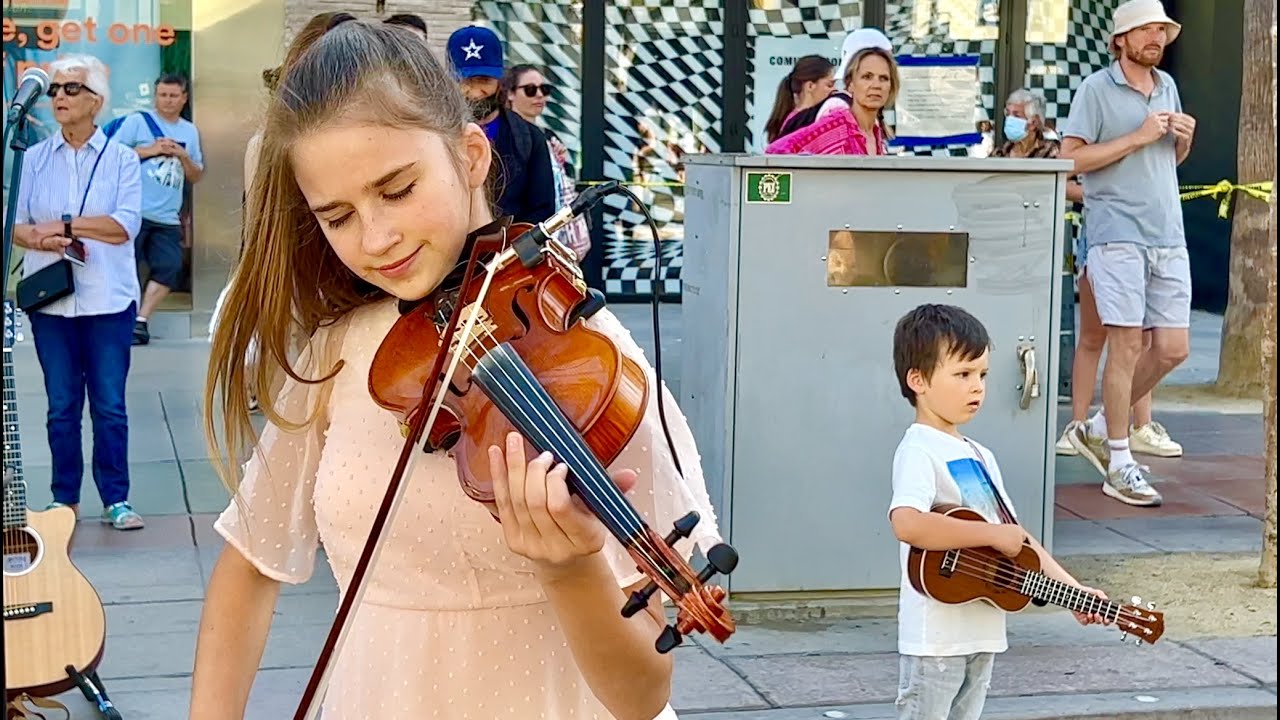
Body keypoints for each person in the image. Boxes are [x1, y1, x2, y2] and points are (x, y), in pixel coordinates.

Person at [190, 18, 720, 719]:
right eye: (338, 216)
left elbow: (642, 696)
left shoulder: (586, 356)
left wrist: (571, 571)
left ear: (470, 156)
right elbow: (250, 564)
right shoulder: (339, 350)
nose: (376, 238)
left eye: (397, 190)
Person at [888, 303, 1108, 719]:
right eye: (963, 375)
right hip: (935, 640)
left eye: (982, 375)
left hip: (983, 635)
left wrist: (1075, 592)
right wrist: (990, 535)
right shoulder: (919, 448)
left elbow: (1017, 540)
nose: (977, 387)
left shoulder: (980, 455)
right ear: (918, 380)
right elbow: (907, 522)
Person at [1060, 0, 1194, 506]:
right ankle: (1119, 460)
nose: (1155, 37)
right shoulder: (1095, 89)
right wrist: (1137, 136)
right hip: (1115, 232)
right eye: (1145, 30)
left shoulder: (1167, 86)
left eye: (1161, 29)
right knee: (1125, 343)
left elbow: (1166, 162)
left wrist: (1184, 141)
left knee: (1174, 348)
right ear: (1120, 39)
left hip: (1168, 234)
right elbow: (1070, 159)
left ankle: (1098, 427)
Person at [11, 54, 144, 530]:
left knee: (109, 405)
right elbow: (16, 225)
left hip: (108, 299)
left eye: (71, 89)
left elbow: (123, 226)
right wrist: (40, 239)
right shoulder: (33, 158)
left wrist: (63, 225)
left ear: (96, 101)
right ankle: (63, 499)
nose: (59, 97)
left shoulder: (122, 158)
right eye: (54, 90)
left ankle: (116, 498)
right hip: (51, 301)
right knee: (61, 407)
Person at [109, 73, 204, 346]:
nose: (168, 100)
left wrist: (183, 156)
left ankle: (141, 319)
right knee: (123, 270)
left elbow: (196, 174)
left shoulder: (190, 131)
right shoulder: (137, 122)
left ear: (184, 98)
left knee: (170, 267)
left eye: (173, 96)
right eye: (163, 95)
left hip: (167, 217)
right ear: (155, 96)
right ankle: (120, 322)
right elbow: (110, 156)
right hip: (132, 212)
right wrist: (150, 150)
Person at [446, 25, 556, 225]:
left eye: (484, 80)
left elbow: (542, 211)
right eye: (466, 81)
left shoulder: (530, 139)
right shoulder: (436, 137)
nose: (475, 92)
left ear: (500, 82)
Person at [504, 63, 591, 261]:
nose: (539, 96)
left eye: (544, 89)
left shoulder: (548, 137)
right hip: (523, 241)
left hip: (555, 238)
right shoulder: (508, 136)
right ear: (510, 93)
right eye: (530, 90)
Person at [762, 55, 835, 144]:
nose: (834, 90)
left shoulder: (791, 118)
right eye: (829, 85)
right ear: (810, 86)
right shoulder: (802, 123)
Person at [992, 89, 1059, 158]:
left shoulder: (1049, 151)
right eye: (1007, 114)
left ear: (1034, 122)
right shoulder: (1000, 153)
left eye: (1016, 116)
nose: (1009, 120)